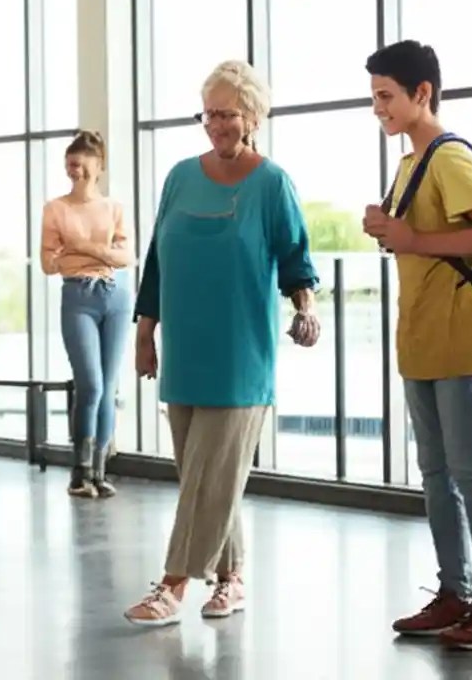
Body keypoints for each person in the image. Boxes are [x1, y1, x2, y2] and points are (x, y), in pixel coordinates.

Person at [123, 60, 319, 626]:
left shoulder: (271, 181)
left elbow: (295, 259)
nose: (215, 125)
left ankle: (172, 584)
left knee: (210, 474)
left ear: (253, 116)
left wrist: (306, 310)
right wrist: (144, 333)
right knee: (206, 477)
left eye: (226, 114)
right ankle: (231, 580)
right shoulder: (181, 176)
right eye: (207, 114)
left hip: (242, 353)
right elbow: (156, 261)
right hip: (185, 350)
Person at [362, 40, 472, 651]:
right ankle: (456, 591)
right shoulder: (409, 164)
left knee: (471, 470)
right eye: (375, 97)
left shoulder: (450, 157)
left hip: (459, 336)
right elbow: (419, 239)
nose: (378, 108)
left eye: (386, 97)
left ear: (421, 93)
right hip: (422, 337)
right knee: (436, 473)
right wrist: (392, 232)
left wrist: (408, 235)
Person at [39, 130, 135, 498]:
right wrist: (100, 252)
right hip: (78, 295)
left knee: (108, 388)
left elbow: (127, 258)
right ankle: (79, 473)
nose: (73, 168)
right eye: (70, 162)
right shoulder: (55, 209)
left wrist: (79, 247)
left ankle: (98, 471)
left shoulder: (113, 208)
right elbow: (49, 264)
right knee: (90, 384)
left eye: (80, 162)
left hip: (117, 295)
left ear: (99, 166)